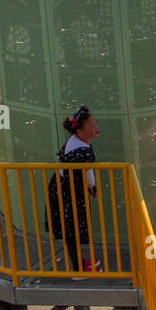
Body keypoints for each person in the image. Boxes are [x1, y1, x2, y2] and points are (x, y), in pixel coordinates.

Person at [52, 105, 101, 272]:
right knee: (71, 229)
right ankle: (78, 269)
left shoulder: (77, 142)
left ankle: (79, 262)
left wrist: (90, 185)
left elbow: (87, 170)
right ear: (81, 132)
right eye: (92, 126)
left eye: (96, 124)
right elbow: (87, 171)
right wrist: (91, 187)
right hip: (67, 191)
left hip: (64, 186)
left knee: (72, 227)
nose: (96, 128)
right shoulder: (82, 149)